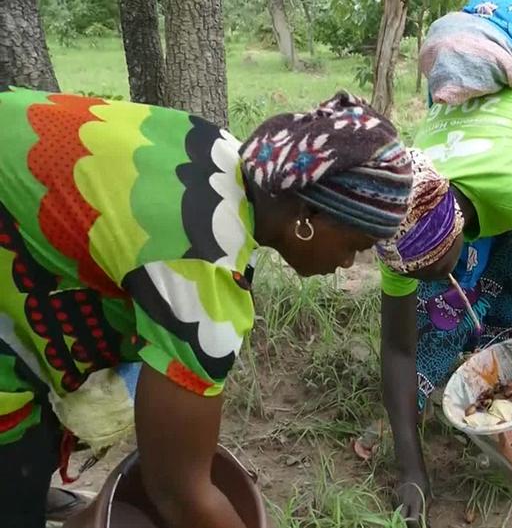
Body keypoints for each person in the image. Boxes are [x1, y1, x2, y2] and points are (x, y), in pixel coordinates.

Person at [0, 87, 413, 528]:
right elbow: (177, 491)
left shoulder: (219, 152)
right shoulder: (203, 265)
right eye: (355, 245)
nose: (347, 264)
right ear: (308, 216)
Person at [371, 0, 512, 523]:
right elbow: (397, 347)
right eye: (416, 273)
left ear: (457, 227)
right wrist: (411, 470)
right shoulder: (400, 228)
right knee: (433, 304)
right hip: (466, 122)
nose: (435, 278)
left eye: (436, 267)